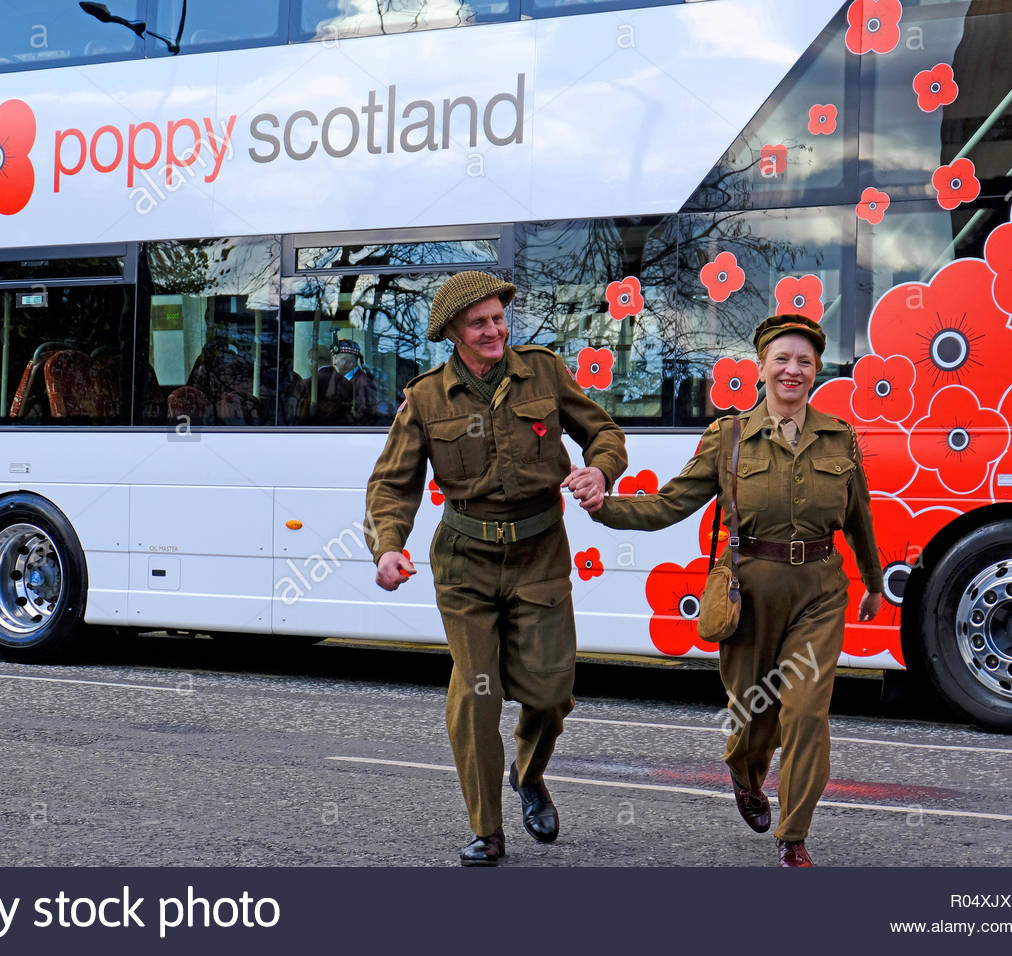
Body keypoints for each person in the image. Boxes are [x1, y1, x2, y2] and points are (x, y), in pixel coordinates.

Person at [566, 313, 882, 867]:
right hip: (750, 595)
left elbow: (860, 519)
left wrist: (875, 583)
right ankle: (743, 770)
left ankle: (794, 836)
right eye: (782, 359)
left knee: (806, 712)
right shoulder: (728, 437)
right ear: (761, 368)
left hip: (820, 594)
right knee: (753, 715)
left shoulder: (840, 437)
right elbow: (669, 503)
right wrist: (605, 508)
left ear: (816, 372)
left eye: (804, 361)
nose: (793, 369)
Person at [365, 271, 628, 866]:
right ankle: (488, 829)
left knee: (551, 693)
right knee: (478, 689)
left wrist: (600, 470)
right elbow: (391, 483)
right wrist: (388, 545)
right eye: (480, 322)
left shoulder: (543, 371)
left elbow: (603, 431)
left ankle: (529, 773)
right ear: (454, 332)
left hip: (539, 554)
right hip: (466, 562)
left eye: (499, 319)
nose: (494, 329)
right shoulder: (427, 397)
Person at [328, 338, 379, 424]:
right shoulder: (341, 378)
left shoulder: (364, 384)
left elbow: (362, 415)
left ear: (349, 362)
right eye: (335, 358)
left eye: (337, 358)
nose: (335, 363)